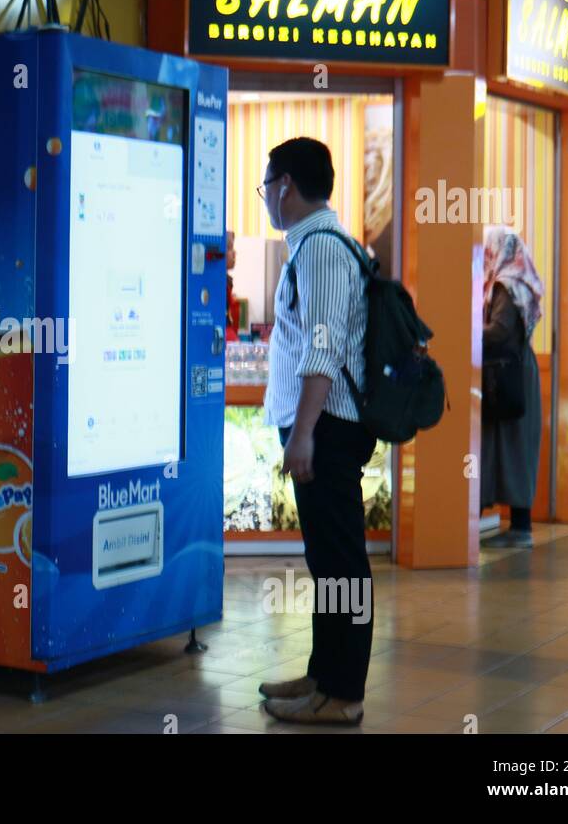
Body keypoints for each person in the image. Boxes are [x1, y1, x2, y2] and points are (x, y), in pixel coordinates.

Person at [256, 137, 374, 726]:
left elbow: (322, 352)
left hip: (328, 427)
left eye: (267, 186)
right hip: (321, 425)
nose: (266, 199)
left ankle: (344, 693)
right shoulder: (316, 246)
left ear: (287, 187)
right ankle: (323, 675)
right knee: (327, 559)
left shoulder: (322, 251)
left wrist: (303, 433)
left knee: (341, 561)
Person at [480, 226, 544, 548]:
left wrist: (465, 332)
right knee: (504, 448)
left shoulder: (507, 285)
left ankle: (521, 528)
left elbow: (500, 331)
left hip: (509, 375)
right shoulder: (515, 281)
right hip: (512, 373)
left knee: (513, 449)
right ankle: (516, 524)